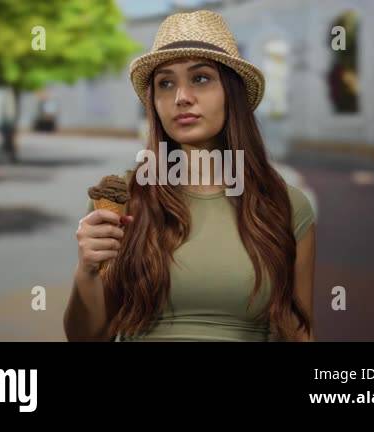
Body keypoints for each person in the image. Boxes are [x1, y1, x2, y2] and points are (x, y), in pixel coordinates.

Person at [64, 10, 316, 342]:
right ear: (154, 102)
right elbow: (86, 339)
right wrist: (86, 271)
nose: (181, 97)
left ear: (231, 92)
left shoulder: (287, 206)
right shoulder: (122, 199)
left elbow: (299, 334)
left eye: (200, 78)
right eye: (165, 83)